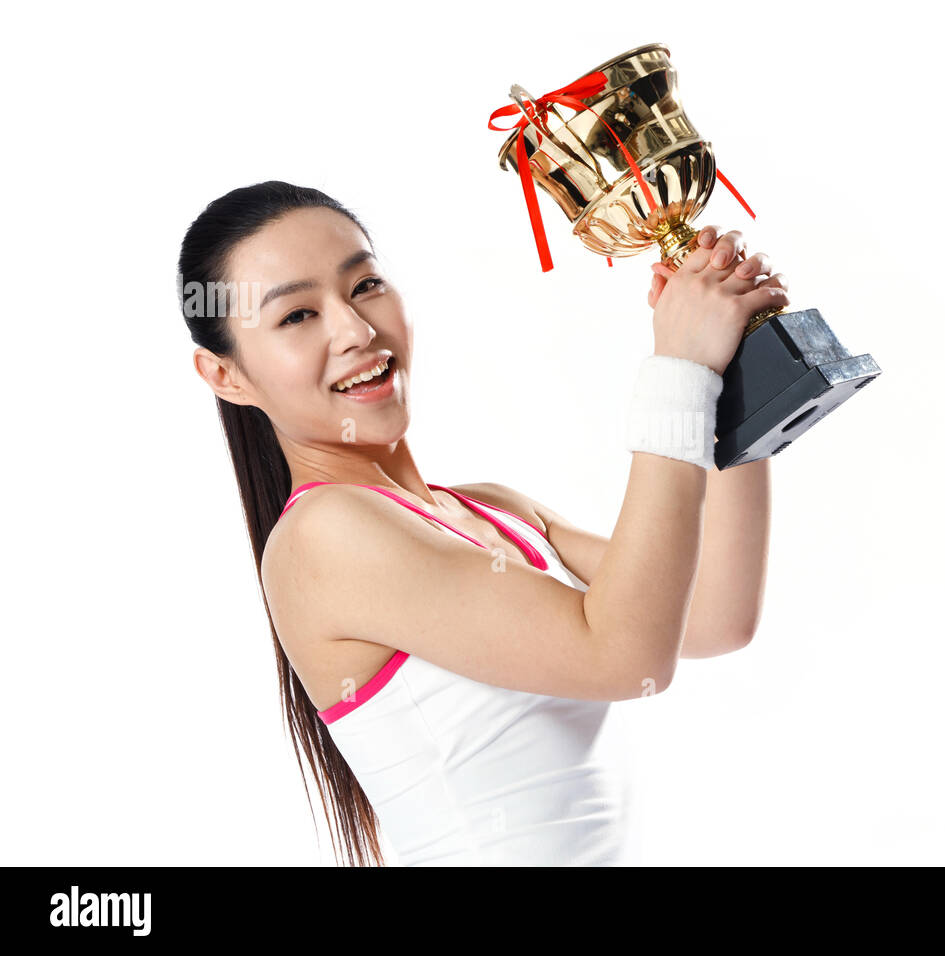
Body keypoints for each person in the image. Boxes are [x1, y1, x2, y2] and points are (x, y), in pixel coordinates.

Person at [178, 180, 789, 866]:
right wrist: (680, 370)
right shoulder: (326, 535)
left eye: (364, 285)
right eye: (296, 316)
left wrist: (735, 371)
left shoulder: (489, 509)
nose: (355, 330)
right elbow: (625, 656)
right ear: (225, 375)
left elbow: (711, 614)